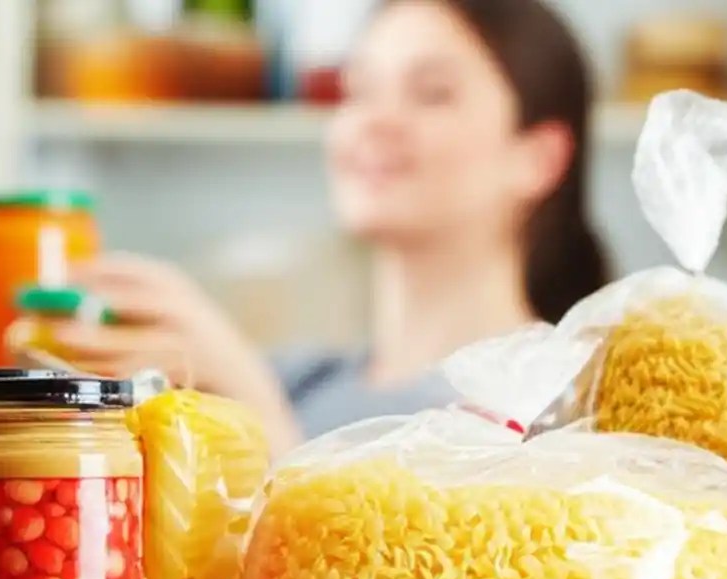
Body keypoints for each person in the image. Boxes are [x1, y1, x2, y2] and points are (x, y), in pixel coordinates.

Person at [57, 0, 608, 452]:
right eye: (358, 91)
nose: (373, 119)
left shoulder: (566, 408)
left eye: (432, 93)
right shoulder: (295, 378)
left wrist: (257, 421)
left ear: (539, 157)